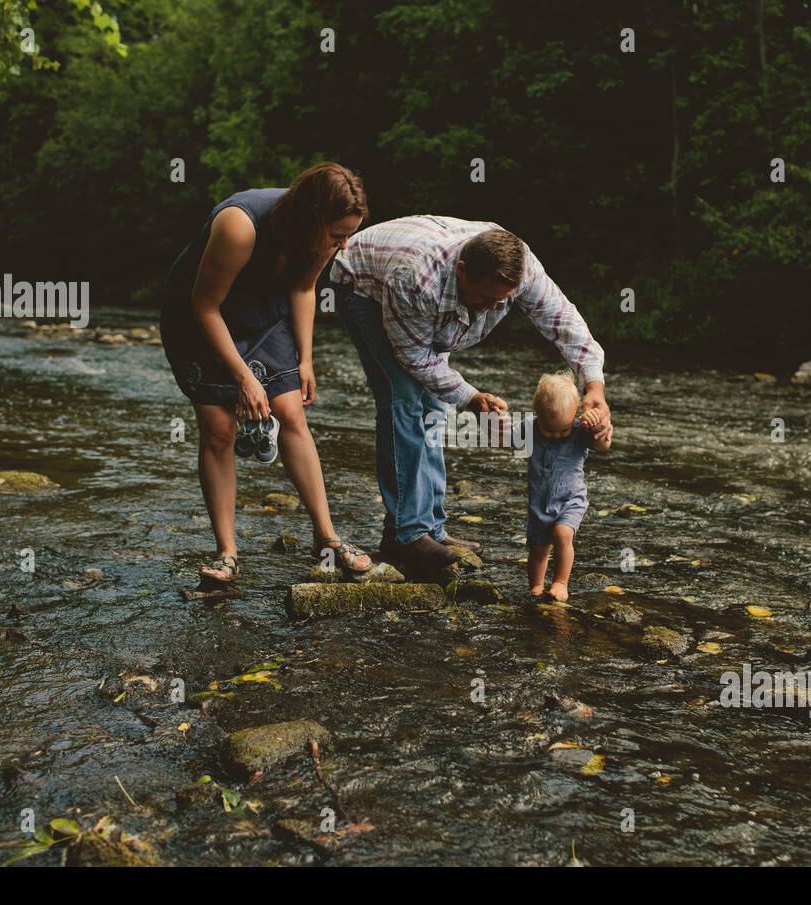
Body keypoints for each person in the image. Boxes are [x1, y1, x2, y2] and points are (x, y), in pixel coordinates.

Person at [332, 217, 611, 571]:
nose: (491, 310)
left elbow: (562, 321)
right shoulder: (416, 282)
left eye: (502, 302)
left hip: (417, 285)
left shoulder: (522, 270)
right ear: (462, 271)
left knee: (433, 404)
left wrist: (594, 386)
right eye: (484, 298)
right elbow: (416, 359)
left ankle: (431, 527)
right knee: (403, 399)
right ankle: (405, 534)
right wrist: (471, 397)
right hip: (363, 285)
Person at [159, 163, 372, 584]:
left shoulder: (325, 236)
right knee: (219, 428)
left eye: (349, 234)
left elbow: (303, 288)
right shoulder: (240, 226)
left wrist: (305, 359)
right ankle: (227, 553)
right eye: (337, 236)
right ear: (312, 220)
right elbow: (204, 306)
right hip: (202, 317)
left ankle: (325, 536)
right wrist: (243, 377)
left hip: (264, 314)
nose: (344, 245)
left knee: (291, 413)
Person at [516, 371, 612, 601]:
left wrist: (599, 428)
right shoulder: (529, 427)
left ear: (575, 416)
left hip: (571, 499)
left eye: (563, 429)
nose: (557, 435)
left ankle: (560, 582)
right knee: (539, 549)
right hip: (540, 503)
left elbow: (603, 444)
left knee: (562, 534)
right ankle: (536, 586)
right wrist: (493, 421)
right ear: (537, 414)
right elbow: (503, 436)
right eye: (549, 430)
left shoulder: (580, 429)